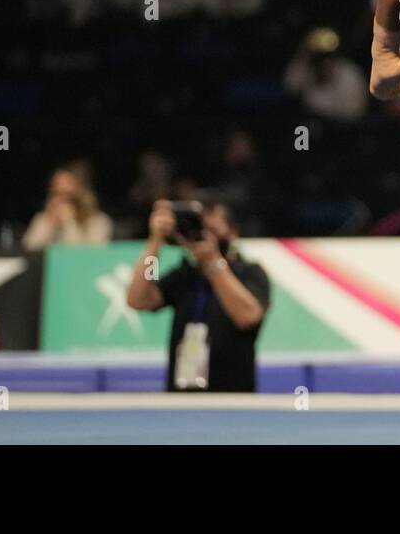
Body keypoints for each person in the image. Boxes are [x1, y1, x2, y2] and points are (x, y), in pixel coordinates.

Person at [126, 198, 271, 392]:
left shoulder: (250, 272)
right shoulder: (185, 274)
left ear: (233, 231)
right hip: (182, 398)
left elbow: (248, 316)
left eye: (213, 228)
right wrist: (155, 242)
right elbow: (138, 299)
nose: (206, 235)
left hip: (233, 398)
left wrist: (212, 262)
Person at [21, 165, 114, 250]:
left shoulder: (99, 221)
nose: (61, 201)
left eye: (67, 195)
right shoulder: (43, 219)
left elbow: (86, 254)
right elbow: (29, 249)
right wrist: (48, 223)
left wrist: (69, 223)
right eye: (57, 193)